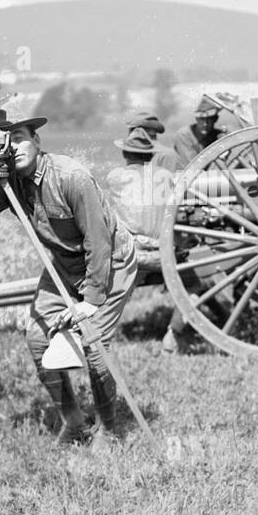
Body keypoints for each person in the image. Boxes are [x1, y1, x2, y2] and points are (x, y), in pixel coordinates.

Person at [0, 111, 137, 444]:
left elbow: (98, 241)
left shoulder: (70, 176)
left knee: (94, 346)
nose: (12, 148)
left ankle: (109, 428)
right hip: (64, 263)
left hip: (109, 261)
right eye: (4, 142)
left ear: (36, 140)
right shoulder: (8, 179)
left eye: (18, 138)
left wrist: (90, 301)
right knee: (37, 339)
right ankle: (74, 420)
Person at [104, 125, 202, 354]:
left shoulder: (114, 177)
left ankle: (100, 335)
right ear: (150, 155)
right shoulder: (167, 177)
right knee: (195, 285)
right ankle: (173, 336)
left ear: (125, 154)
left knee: (115, 292)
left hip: (130, 255)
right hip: (164, 256)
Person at [172, 94, 240, 167]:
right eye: (202, 119)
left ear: (215, 119)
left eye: (209, 119)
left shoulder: (218, 135)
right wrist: (220, 157)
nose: (205, 124)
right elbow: (193, 167)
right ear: (196, 119)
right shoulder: (184, 136)